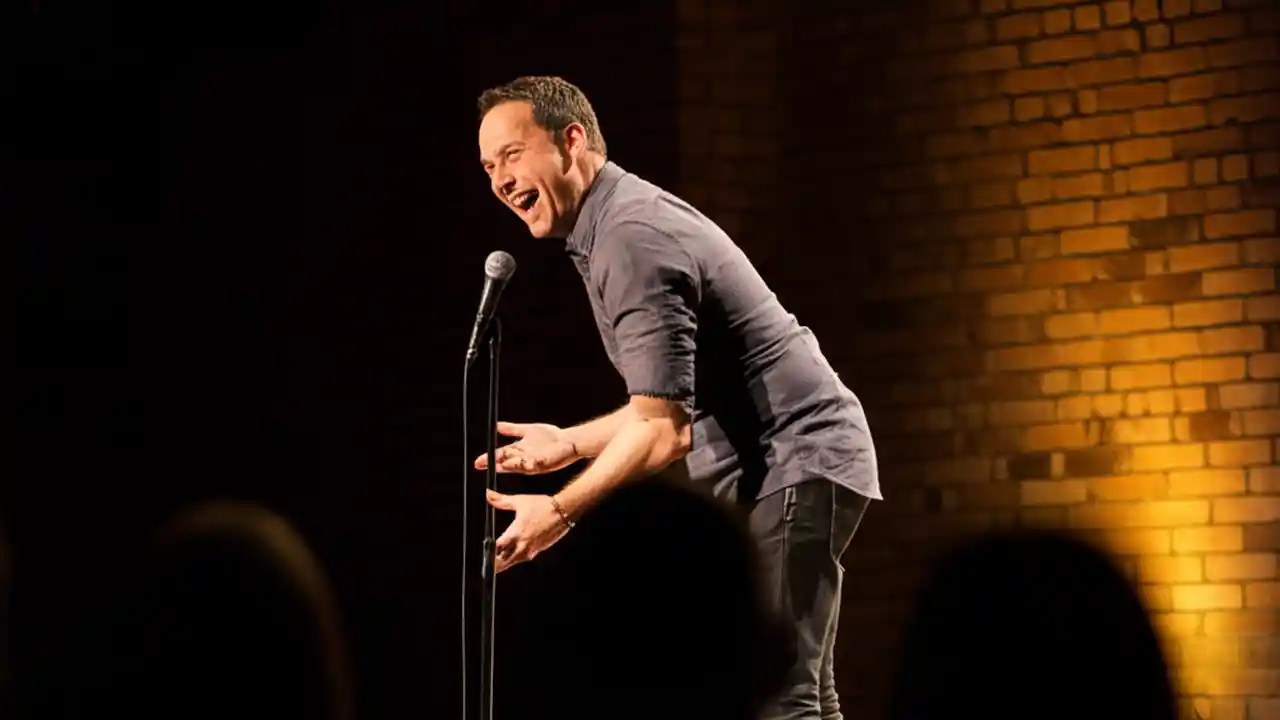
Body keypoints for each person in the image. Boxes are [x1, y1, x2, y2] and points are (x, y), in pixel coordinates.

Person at [474, 75, 881, 720]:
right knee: (802, 694)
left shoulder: (629, 237)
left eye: (512, 155)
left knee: (784, 697)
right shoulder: (612, 224)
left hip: (795, 455)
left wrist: (559, 510)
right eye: (489, 166)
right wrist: (569, 444)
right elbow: (662, 402)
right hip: (785, 461)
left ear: (572, 140)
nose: (499, 180)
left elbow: (665, 433)